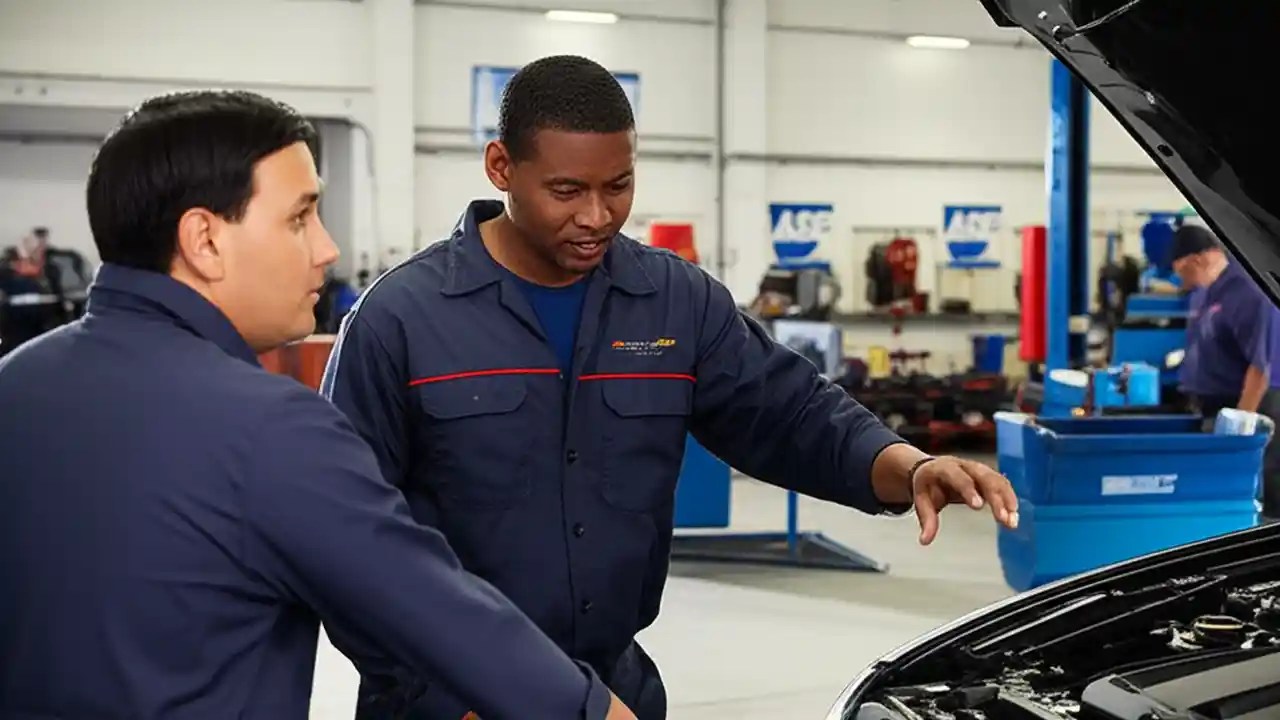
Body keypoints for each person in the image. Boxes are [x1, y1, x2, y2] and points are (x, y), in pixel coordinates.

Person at [320, 54, 1019, 720]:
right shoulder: (400, 319)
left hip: (615, 690)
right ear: (501, 166)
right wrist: (452, 697)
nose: (596, 216)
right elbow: (343, 538)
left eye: (618, 185)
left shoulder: (674, 302)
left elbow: (789, 412)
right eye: (566, 190)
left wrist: (908, 467)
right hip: (451, 697)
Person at [0, 89, 636, 720]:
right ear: (205, 240)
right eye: (301, 217)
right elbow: (438, 615)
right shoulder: (267, 430)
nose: (327, 249)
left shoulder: (18, 384)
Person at [1172, 223, 1280, 517]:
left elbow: (1260, 367)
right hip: (1215, 407)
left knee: (1259, 483)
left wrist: (1241, 431)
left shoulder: (1246, 290)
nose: (1182, 281)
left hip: (1252, 404)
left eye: (1183, 271)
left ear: (1198, 259)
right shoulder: (1205, 290)